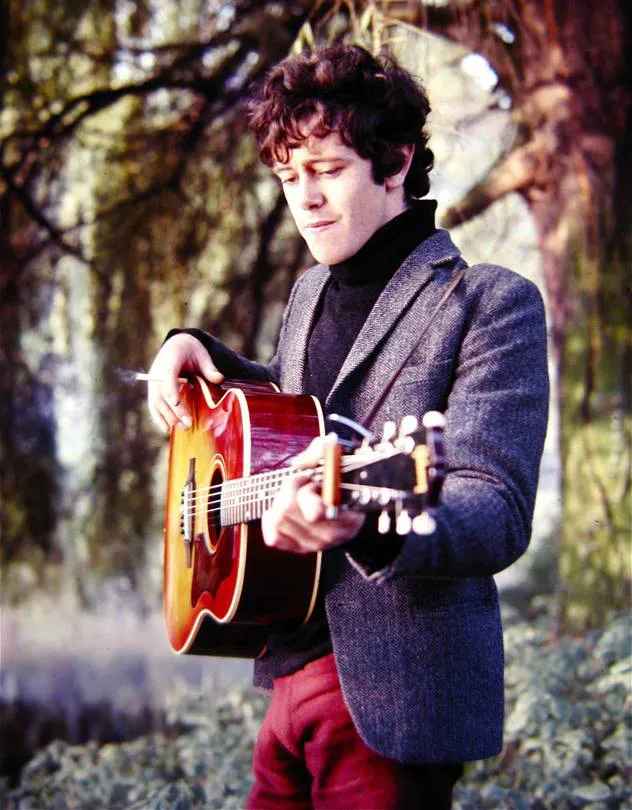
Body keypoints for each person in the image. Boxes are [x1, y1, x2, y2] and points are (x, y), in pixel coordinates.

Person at [147, 44, 549, 810]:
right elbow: (297, 410)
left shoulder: (487, 303)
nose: (306, 200)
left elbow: (494, 507)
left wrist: (362, 523)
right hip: (285, 674)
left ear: (395, 162)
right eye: (289, 178)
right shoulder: (307, 294)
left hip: (393, 692)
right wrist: (195, 348)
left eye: (327, 170)